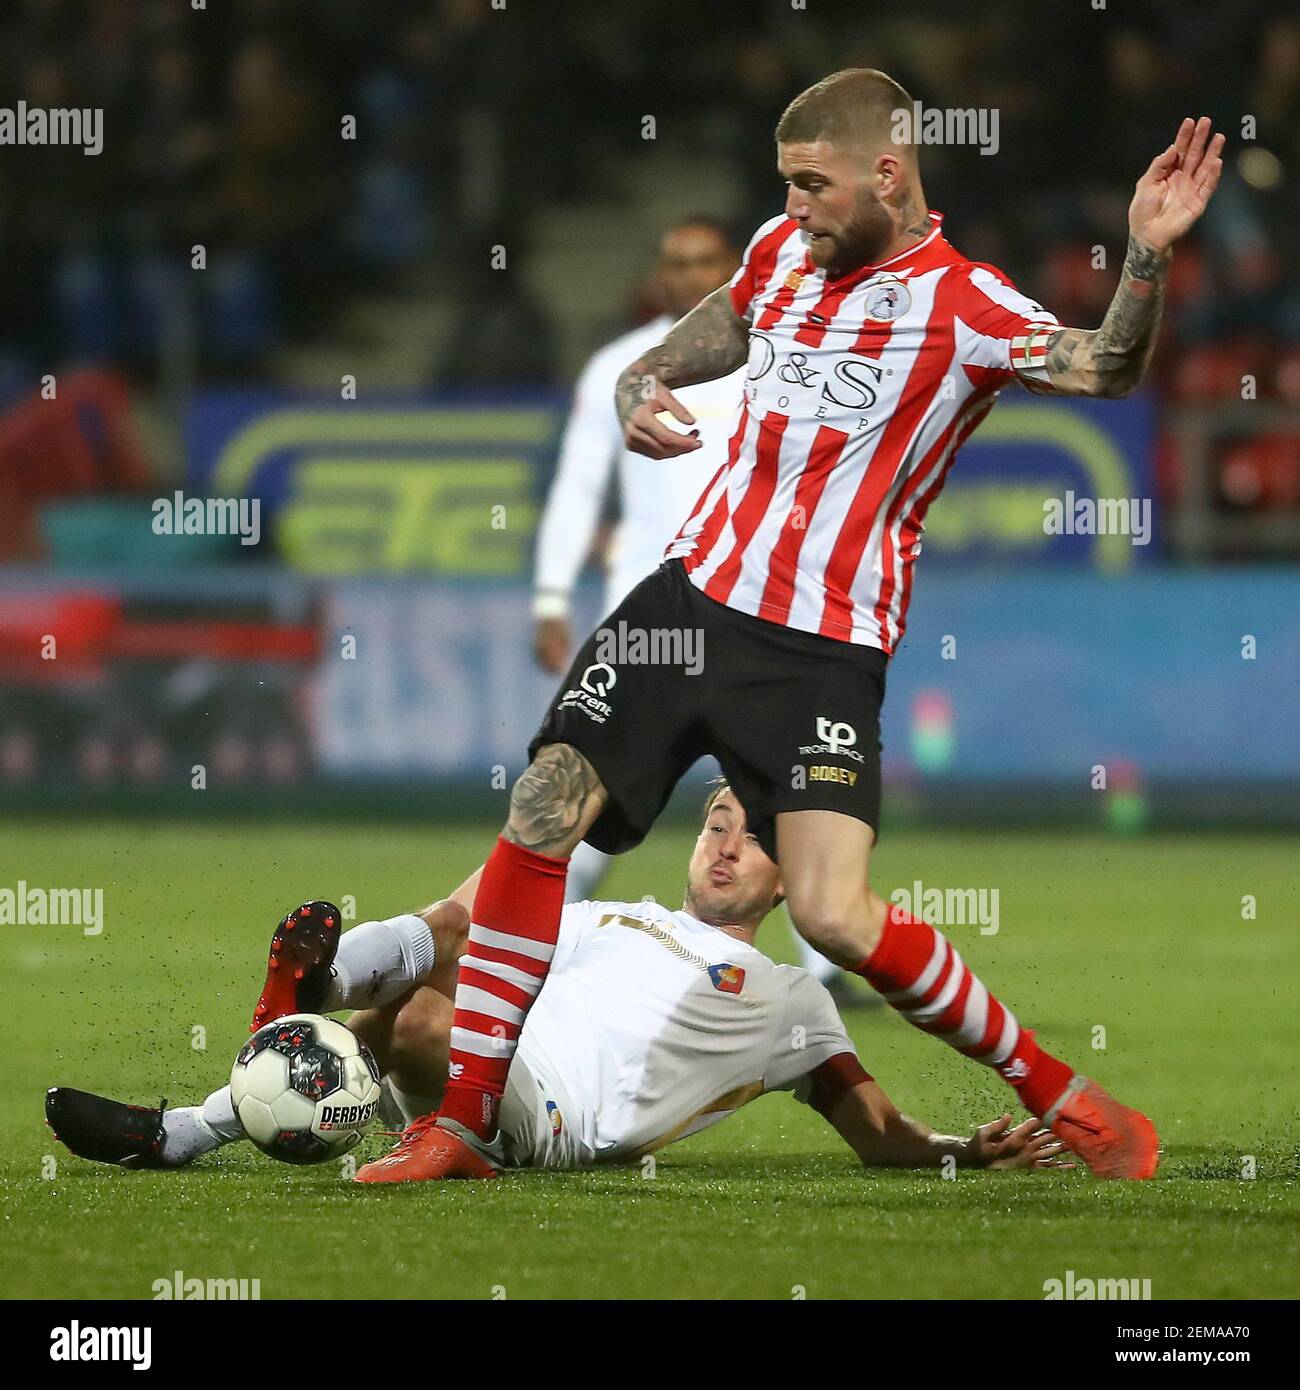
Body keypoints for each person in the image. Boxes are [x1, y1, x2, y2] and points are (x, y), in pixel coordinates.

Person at [370, 69, 1223, 1182]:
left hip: (818, 649)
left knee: (833, 917)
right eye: (786, 183)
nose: (796, 205)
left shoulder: (965, 305)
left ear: (887, 170)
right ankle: (464, 1124)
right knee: (543, 808)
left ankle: (1062, 1095)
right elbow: (727, 316)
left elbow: (1103, 365)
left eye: (813, 183)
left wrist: (1145, 251)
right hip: (688, 599)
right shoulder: (784, 249)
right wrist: (643, 374)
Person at [45, 785, 1070, 1180]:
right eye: (716, 821)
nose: (724, 845)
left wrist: (953, 1151)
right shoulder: (606, 914)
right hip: (484, 1058)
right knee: (475, 915)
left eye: (752, 839)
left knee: (412, 1005)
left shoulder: (790, 999)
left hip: (550, 1113)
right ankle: (292, 1010)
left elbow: (871, 1130)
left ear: (788, 871)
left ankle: (248, 1066)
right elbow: (485, 938)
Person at [532, 214, 858, 1002]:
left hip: (754, 609)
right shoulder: (623, 367)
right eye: (676, 262)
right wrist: (549, 594)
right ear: (658, 273)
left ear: (733, 267)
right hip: (650, 615)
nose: (690, 275)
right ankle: (534, 934)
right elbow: (577, 486)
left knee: (779, 781)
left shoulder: (771, 359)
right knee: (593, 782)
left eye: (706, 260)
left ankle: (820, 966)